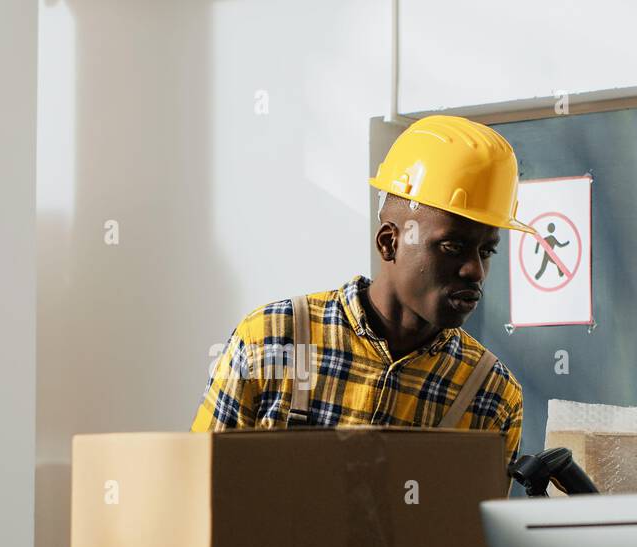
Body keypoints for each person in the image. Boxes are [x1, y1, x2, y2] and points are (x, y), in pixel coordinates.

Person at [192, 115, 534, 472]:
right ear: (390, 243)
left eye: (486, 251)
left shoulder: (491, 392)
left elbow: (467, 528)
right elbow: (195, 495)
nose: (474, 271)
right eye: (452, 246)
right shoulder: (272, 340)